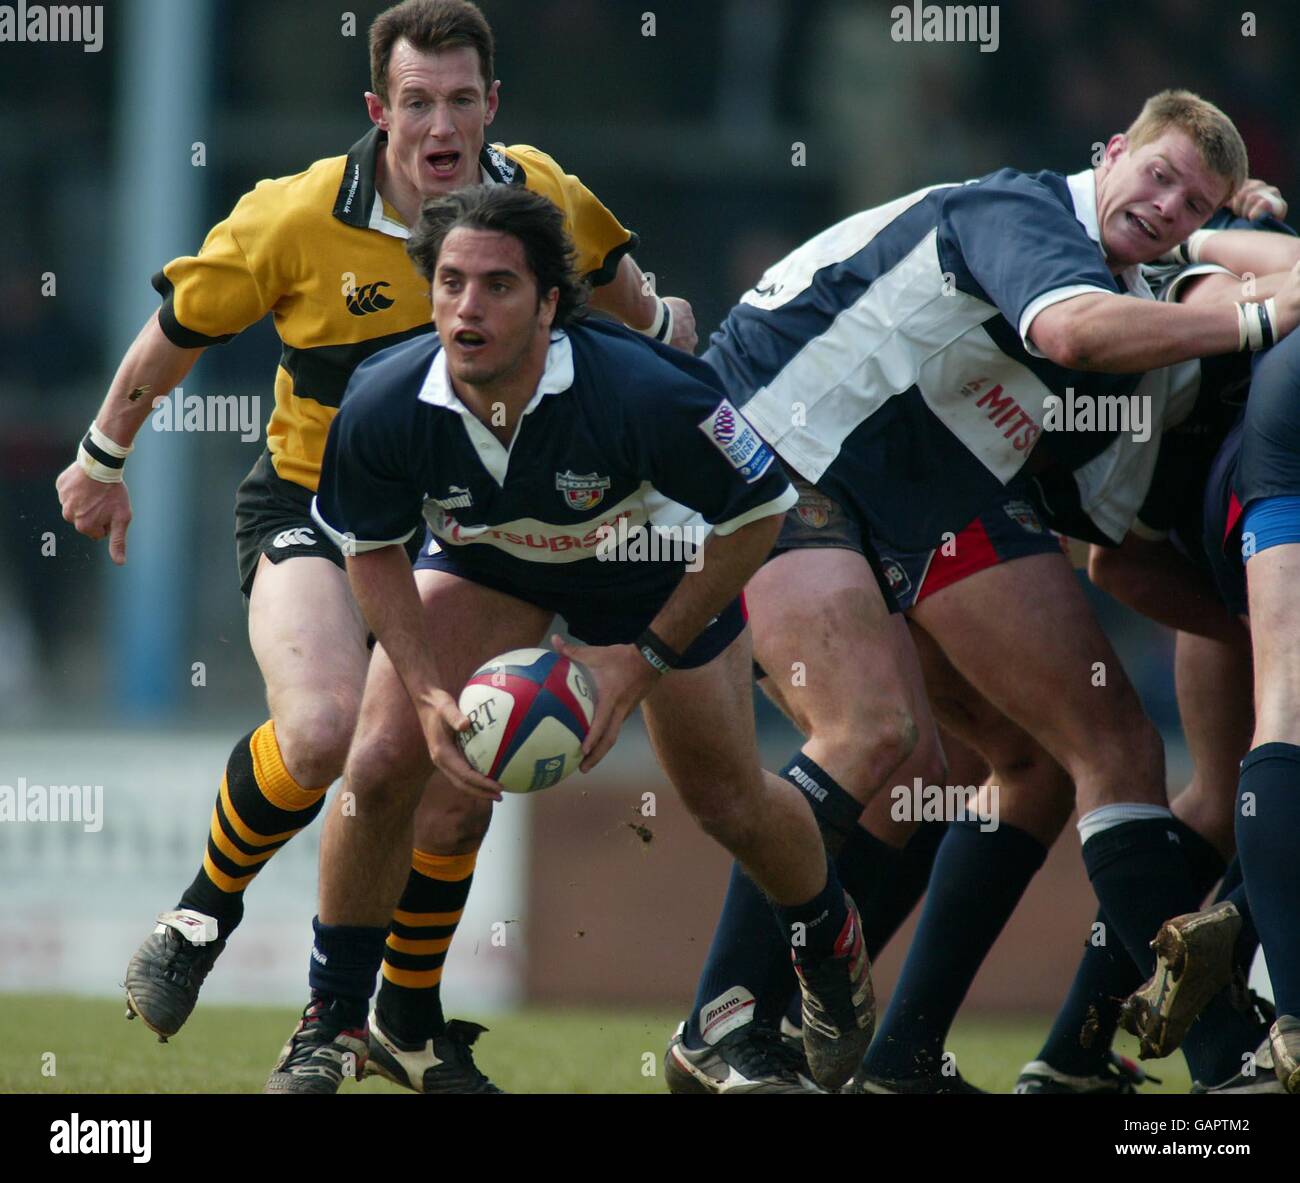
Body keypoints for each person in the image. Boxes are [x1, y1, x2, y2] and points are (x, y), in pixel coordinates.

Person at [55, 0, 695, 1092]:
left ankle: (398, 1021)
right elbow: (176, 332)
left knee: (462, 763)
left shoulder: (537, 196)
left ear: (492, 106)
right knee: (319, 733)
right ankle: (203, 917)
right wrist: (102, 460)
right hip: (311, 506)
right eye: (416, 102)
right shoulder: (295, 217)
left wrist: (684, 355)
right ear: (377, 110)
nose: (440, 124)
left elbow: (646, 312)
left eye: (460, 99)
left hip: (467, 525)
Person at [671, 89, 1300, 1092]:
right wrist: (1258, 306)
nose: (1164, 205)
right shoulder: (1019, 218)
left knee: (1038, 759)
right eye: (1157, 173)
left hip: (907, 492)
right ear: (1110, 152)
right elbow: (1074, 337)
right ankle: (725, 1020)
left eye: (1191, 202)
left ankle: (896, 1054)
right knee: (883, 736)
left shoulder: (1128, 285)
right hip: (770, 451)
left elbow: (1112, 537)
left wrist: (1232, 243)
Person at [262, 183, 871, 1095]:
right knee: (383, 755)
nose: (469, 308)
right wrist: (427, 688)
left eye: (500, 286)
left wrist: (647, 656)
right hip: (493, 562)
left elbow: (759, 512)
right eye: (452, 283)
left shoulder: (648, 391)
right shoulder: (385, 400)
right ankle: (330, 1021)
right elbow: (374, 550)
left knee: (727, 800)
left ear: (550, 302)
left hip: (650, 565)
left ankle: (829, 939)